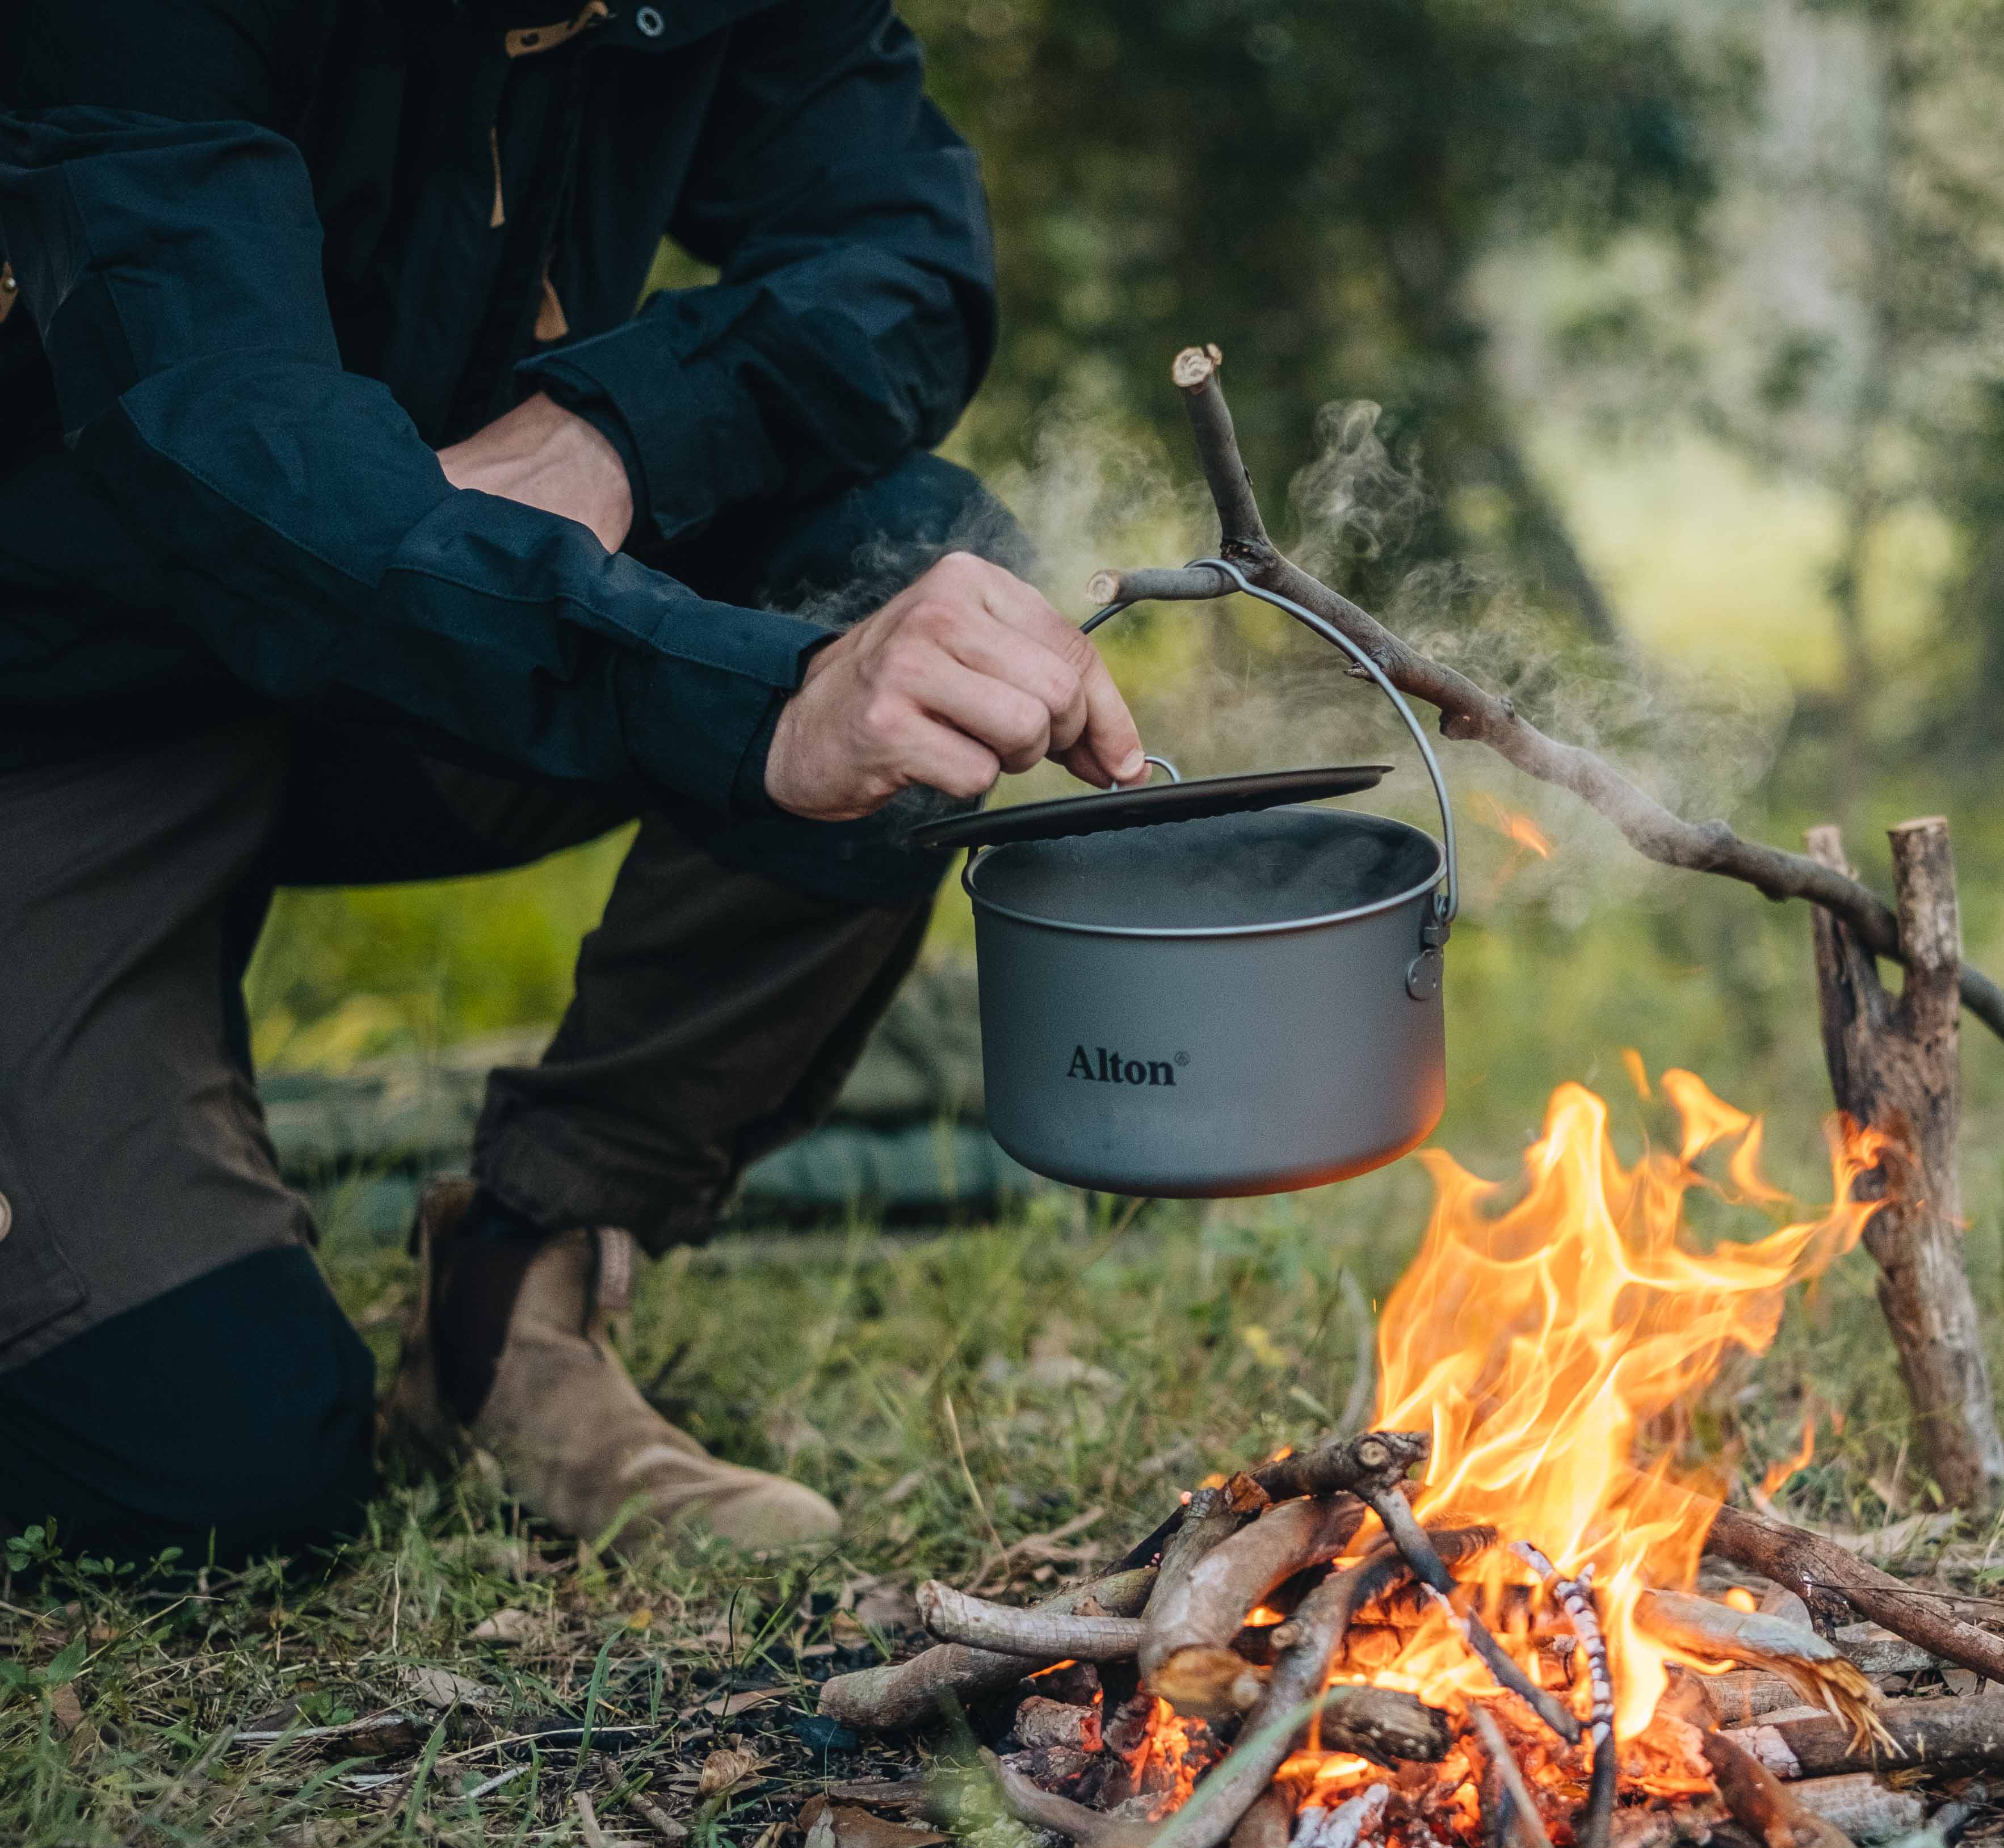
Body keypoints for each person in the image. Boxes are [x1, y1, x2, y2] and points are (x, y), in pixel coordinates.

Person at [0, 0, 1148, 1565]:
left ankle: (511, 1309)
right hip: (60, 712)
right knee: (222, 1474)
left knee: (898, 572)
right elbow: (231, 448)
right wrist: (758, 706)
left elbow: (906, 263)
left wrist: (612, 434)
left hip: (423, 654)